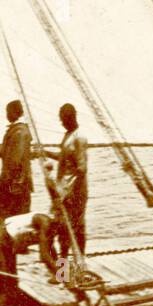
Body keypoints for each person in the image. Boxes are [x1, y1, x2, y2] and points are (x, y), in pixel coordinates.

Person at [44, 103, 88, 261]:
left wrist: (71, 194)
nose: (61, 123)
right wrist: (46, 153)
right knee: (58, 230)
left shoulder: (79, 138)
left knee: (75, 229)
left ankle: (78, 265)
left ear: (71, 118)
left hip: (74, 192)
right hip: (62, 190)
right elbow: (64, 158)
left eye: (63, 120)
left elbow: (81, 169)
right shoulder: (67, 135)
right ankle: (62, 271)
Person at [0, 99, 34, 227]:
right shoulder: (17, 130)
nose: (6, 115)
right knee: (11, 218)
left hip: (15, 184)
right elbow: (12, 152)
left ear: (14, 112)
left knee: (14, 219)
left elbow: (15, 159)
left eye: (8, 112)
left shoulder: (19, 131)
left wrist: (12, 182)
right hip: (13, 182)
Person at [0, 209, 60, 279]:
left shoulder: (56, 228)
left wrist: (60, 275)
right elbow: (44, 256)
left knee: (11, 281)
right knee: (1, 280)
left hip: (9, 245)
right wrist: (62, 277)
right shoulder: (44, 221)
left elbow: (52, 252)